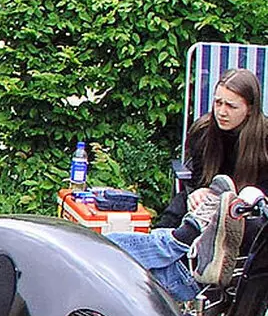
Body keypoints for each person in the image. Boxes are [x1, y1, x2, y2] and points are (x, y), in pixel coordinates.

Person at [108, 68, 268, 300]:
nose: (221, 112)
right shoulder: (205, 132)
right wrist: (197, 191)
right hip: (201, 218)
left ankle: (178, 242)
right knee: (182, 205)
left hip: (241, 227)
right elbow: (195, 180)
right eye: (218, 103)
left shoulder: (264, 142)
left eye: (231, 106)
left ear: (250, 109)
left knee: (114, 254)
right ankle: (180, 242)